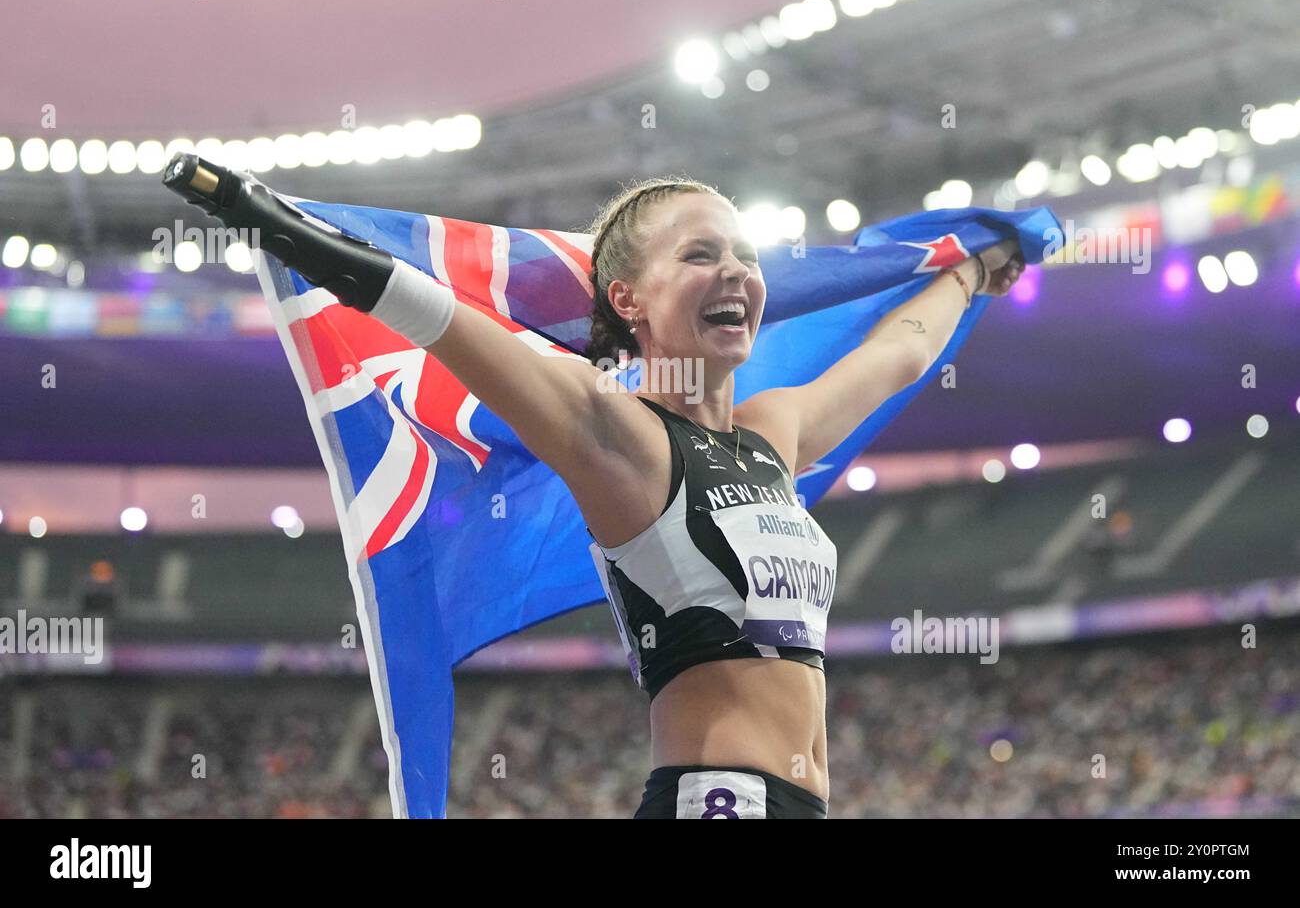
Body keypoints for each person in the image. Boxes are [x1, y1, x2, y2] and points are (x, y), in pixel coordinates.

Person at [162, 157, 1025, 818]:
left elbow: (902, 351)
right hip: (716, 800)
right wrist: (269, 222)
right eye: (700, 254)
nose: (735, 272)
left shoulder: (774, 434)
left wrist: (976, 266)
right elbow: (435, 315)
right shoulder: (619, 437)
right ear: (629, 298)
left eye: (745, 256)